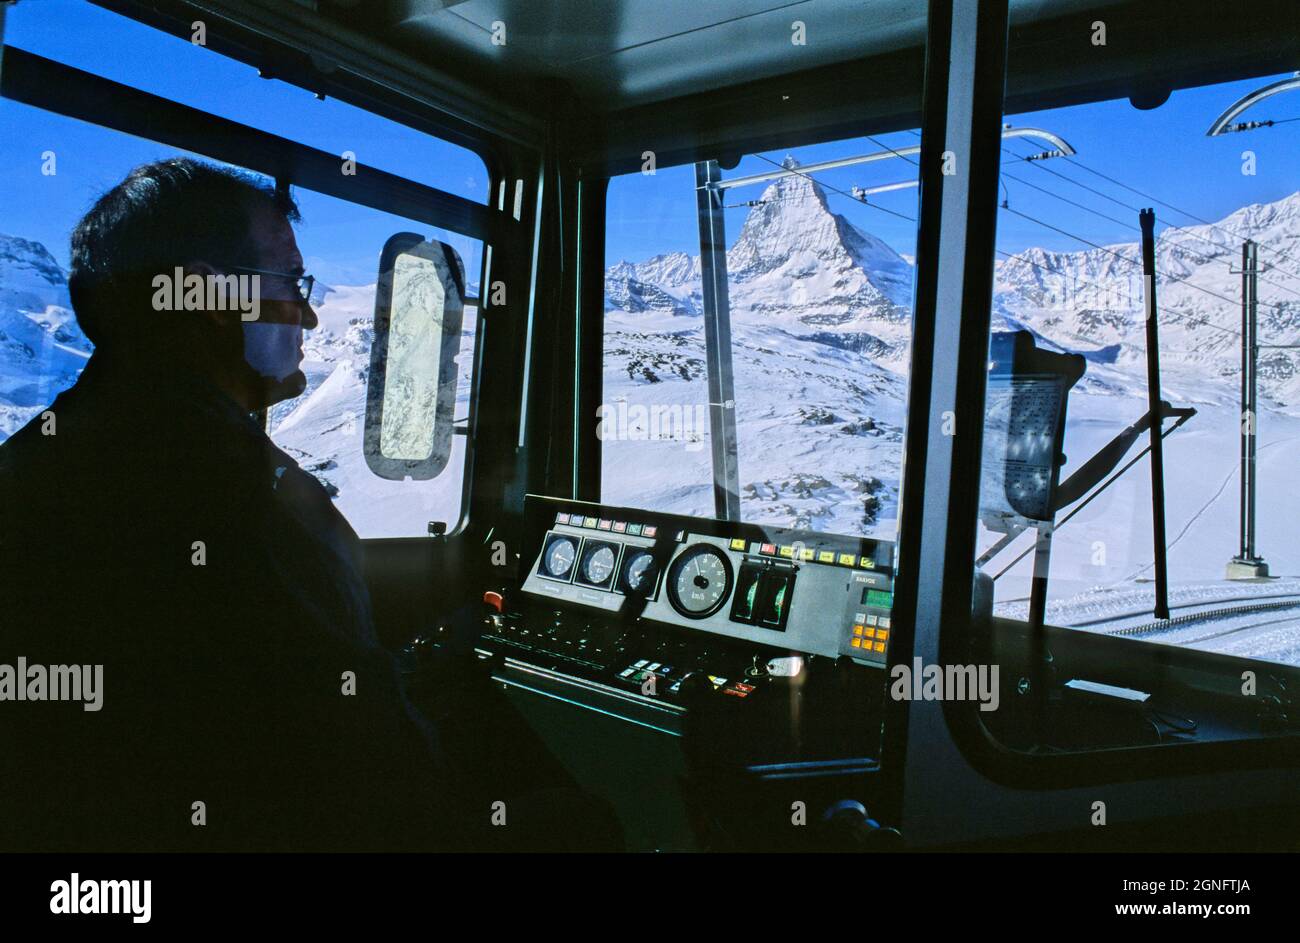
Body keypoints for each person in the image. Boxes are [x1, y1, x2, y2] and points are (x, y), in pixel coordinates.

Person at [0, 158, 611, 851]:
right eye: (292, 284)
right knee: (584, 820)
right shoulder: (242, 496)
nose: (312, 314)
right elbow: (379, 786)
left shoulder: (41, 458)